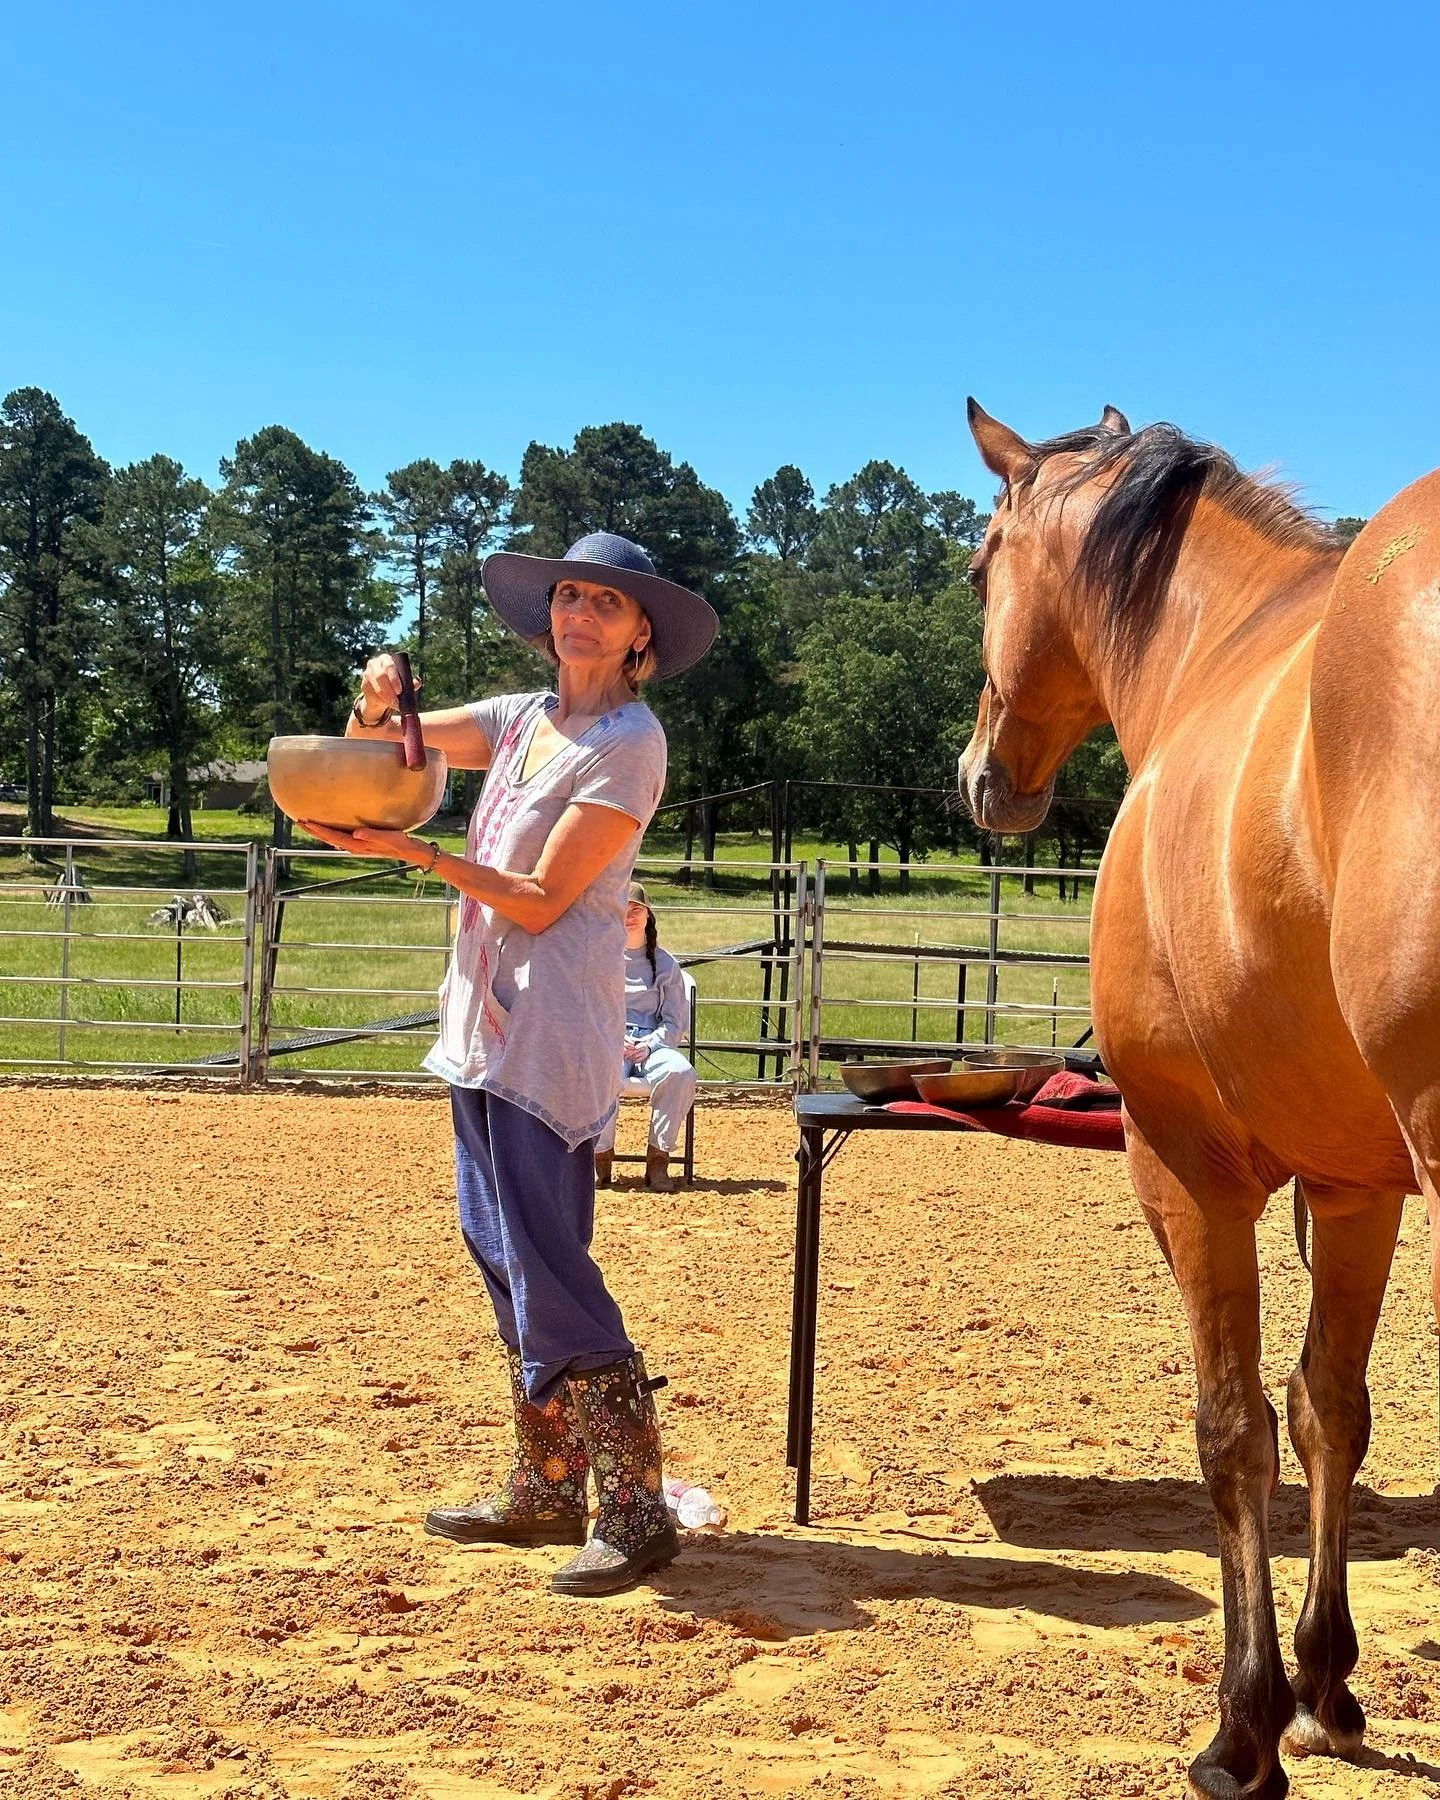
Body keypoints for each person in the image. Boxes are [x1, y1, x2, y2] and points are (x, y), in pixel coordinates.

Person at [299, 532, 718, 1597]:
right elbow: (389, 746)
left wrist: (414, 854)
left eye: (605, 604)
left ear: (640, 639)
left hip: (554, 1021)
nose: (579, 612)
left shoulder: (629, 742)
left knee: (547, 1255)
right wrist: (376, 694)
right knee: (498, 1246)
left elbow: (538, 897)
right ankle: (546, 1482)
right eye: (570, 594)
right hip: (486, 1019)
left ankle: (632, 1503)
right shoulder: (521, 720)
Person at [595, 882, 698, 1193]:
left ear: (648, 915)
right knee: (599, 1072)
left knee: (681, 1072)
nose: (629, 915)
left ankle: (658, 1159)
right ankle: (599, 1157)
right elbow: (588, 1012)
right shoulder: (600, 959)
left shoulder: (666, 964)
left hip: (652, 1044)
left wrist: (650, 1043)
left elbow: (675, 1021)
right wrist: (613, 1038)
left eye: (636, 909)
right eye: (623, 909)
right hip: (609, 1043)